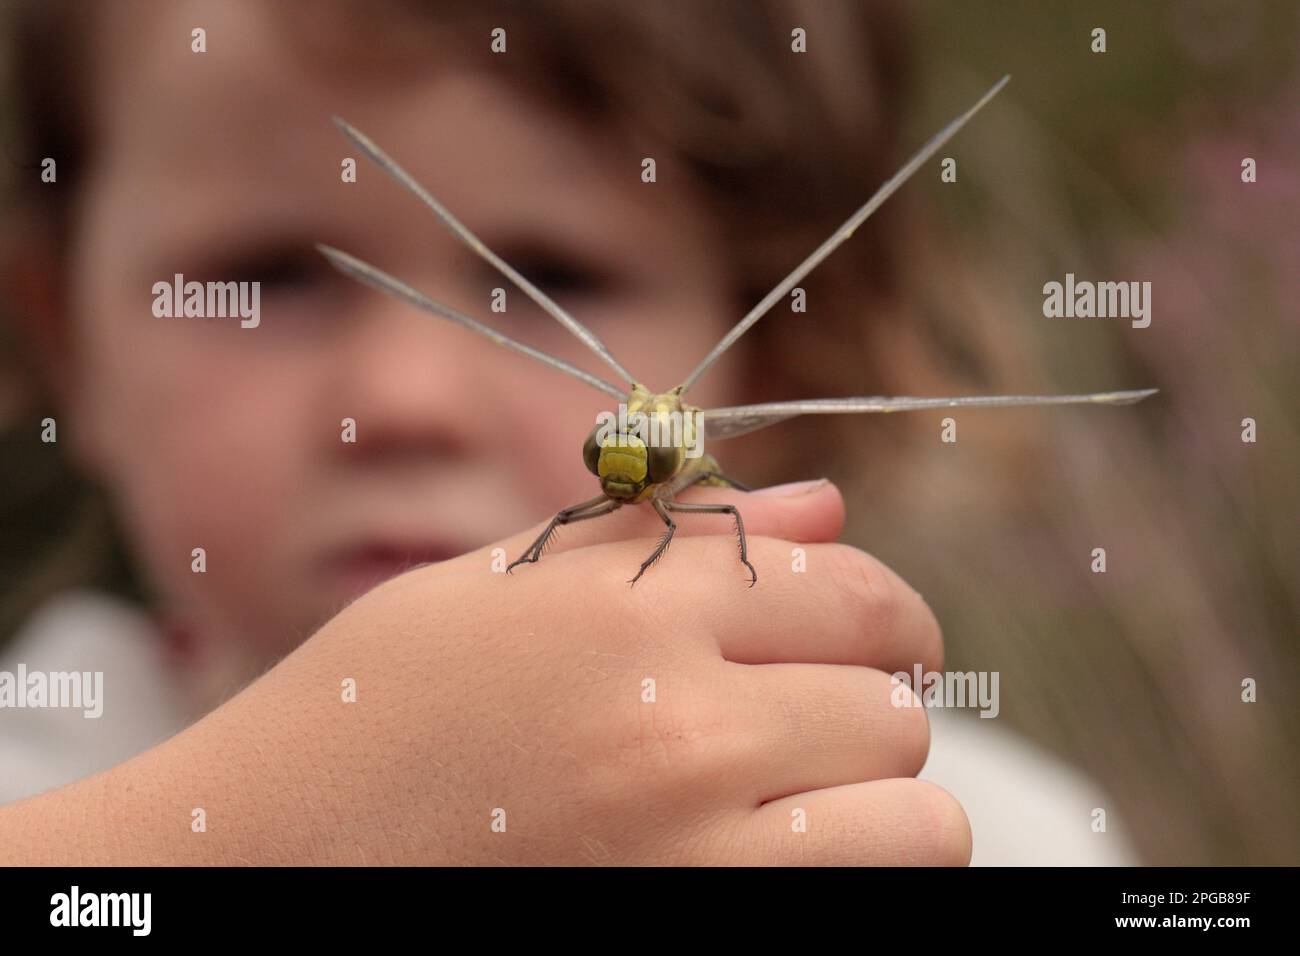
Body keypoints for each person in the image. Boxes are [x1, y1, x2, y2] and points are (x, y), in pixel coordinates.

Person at [0, 0, 1135, 864]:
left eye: (553, 274)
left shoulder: (983, 826)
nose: (405, 396)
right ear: (65, 348)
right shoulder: (42, 775)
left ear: (786, 361)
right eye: (263, 277)